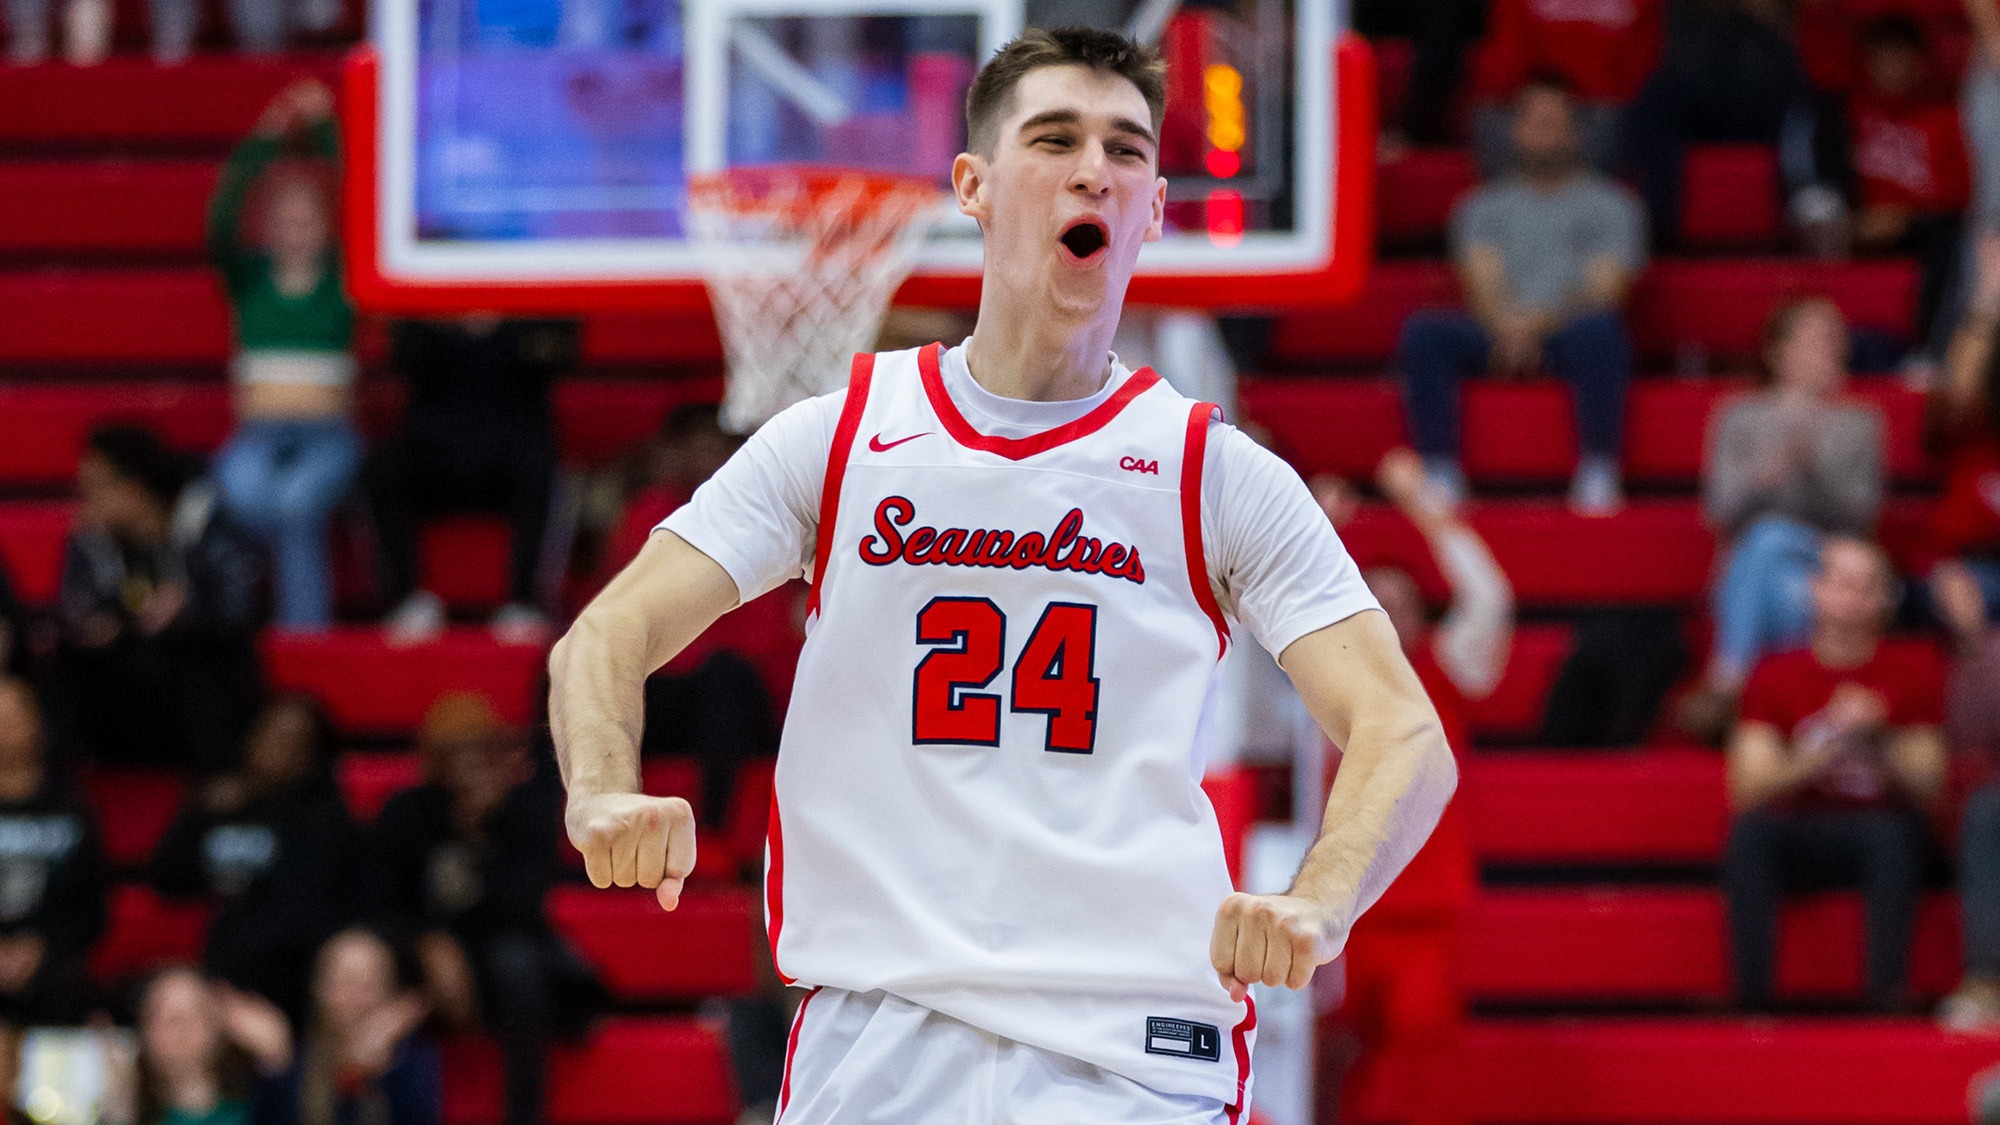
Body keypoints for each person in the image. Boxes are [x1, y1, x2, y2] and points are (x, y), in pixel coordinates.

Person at [551, 27, 1456, 1124]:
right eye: (1056, 138)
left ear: (1155, 208)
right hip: (872, 1033)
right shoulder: (835, 437)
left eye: (1125, 150)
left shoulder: (1213, 472)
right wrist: (602, 785)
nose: (1093, 170)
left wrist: (1319, 901)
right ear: (972, 186)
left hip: (1128, 1050)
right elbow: (604, 638)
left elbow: (1401, 733)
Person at [1318, 449, 1504, 1125]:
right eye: (1375, 603)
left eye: (1401, 602)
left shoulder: (1446, 668)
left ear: (1424, 616)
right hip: (1334, 903)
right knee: (1320, 1051)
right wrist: (1314, 531)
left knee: (1422, 1052)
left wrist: (1421, 502)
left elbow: (1488, 596)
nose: (1389, 615)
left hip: (1424, 905)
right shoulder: (1317, 674)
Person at [1395, 76, 1645, 515]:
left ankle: (1598, 472)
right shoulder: (1481, 206)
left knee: (1604, 330)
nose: (1544, 131)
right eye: (1534, 121)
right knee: (1425, 334)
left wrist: (1529, 326)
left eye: (1555, 121)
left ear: (1575, 131)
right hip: (1496, 329)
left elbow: (1606, 290)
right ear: (1515, 129)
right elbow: (1480, 282)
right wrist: (1508, 327)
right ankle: (1441, 473)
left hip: (1568, 332)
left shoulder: (1613, 206)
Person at [1721, 536, 1947, 1013]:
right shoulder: (1775, 672)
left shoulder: (1912, 668)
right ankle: (1752, 1003)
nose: (1850, 598)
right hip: (1801, 827)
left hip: (1882, 831)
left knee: (1893, 837)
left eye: (1864, 586)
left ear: (1884, 599)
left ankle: (1886, 998)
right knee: (1750, 835)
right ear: (1814, 589)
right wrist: (1823, 743)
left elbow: (1930, 786)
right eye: (1838, 583)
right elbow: (1747, 786)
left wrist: (1880, 733)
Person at [366, 693, 599, 1125]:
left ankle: (524, 1112)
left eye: (477, 749)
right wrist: (429, 941)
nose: (466, 764)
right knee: (361, 962)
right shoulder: (407, 812)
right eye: (453, 752)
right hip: (424, 953)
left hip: (504, 959)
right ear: (431, 758)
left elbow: (527, 905)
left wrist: (489, 827)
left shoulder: (523, 810)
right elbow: (380, 901)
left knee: (518, 962)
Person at [1681, 299, 1885, 742]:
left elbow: (1863, 516)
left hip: (1827, 558)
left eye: (1834, 340)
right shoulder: (1738, 416)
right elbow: (1719, 510)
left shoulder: (1858, 422)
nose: (1827, 350)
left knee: (1771, 541)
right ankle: (1786, 717)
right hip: (1762, 567)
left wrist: (1813, 473)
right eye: (1814, 339)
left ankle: (1729, 680)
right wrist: (1763, 479)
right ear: (1778, 350)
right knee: (1789, 590)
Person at [207, 80, 360, 635]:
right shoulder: (248, 283)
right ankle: (246, 625)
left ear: (325, 229)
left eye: (307, 220)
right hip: (257, 435)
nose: (295, 231)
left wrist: (324, 129)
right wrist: (264, 141)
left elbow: (363, 198)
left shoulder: (341, 288)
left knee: (296, 505)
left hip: (328, 436)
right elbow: (222, 221)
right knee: (243, 494)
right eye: (284, 221)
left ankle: (303, 635)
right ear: (268, 230)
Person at [47, 426, 266, 773]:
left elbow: (239, 607)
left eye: (93, 488)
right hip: (124, 680)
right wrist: (98, 624)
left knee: (205, 665)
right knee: (60, 668)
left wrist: (187, 610)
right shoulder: (90, 538)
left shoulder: (207, 522)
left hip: (195, 673)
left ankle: (220, 784)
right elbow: (74, 609)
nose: (83, 500)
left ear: (133, 489)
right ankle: (61, 795)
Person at [365, 317, 579, 646]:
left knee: (540, 466)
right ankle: (407, 600)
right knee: (382, 466)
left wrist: (496, 322)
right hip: (436, 460)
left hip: (510, 461)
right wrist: (456, 322)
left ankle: (524, 602)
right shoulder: (421, 309)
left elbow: (561, 353)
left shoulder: (536, 306)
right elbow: (404, 357)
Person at [150, 694, 359, 1020]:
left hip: (288, 977)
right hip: (219, 971)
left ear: (313, 755)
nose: (274, 746)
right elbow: (167, 879)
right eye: (269, 731)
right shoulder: (218, 804)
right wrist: (198, 814)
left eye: (293, 740)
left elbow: (302, 915)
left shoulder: (324, 821)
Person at [1793, 16, 1968, 364]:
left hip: (1918, 228)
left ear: (1920, 65)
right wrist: (1856, 219)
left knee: (1954, 237)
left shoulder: (1943, 119)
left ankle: (1928, 353)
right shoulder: (1845, 112)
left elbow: (1956, 198)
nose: (1892, 68)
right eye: (1883, 58)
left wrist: (1903, 218)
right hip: (1851, 219)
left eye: (1901, 59)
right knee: (1814, 204)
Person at [1622, 0, 1812, 246]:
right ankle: (1658, 222)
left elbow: (1771, 11)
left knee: (1807, 109)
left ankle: (1805, 204)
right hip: (1699, 87)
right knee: (1655, 96)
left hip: (1768, 91)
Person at [0, 678, 105, 1025]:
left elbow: (92, 904)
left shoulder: (70, 807)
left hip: (53, 965)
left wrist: (42, 947)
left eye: (15, 718)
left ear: (38, 724)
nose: (6, 729)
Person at [255, 928, 440, 1125]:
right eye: (343, 982)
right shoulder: (292, 1067)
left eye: (368, 984)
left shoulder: (412, 1063)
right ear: (318, 989)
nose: (355, 998)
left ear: (391, 993)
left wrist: (378, 1070)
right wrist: (275, 1068)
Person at [1466, 0, 1665, 177]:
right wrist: (1541, 99)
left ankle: (1590, 209)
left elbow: (1645, 61)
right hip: (1532, 96)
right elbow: (1506, 55)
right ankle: (1507, 211)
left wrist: (1603, 96)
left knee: (1610, 123)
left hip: (1603, 106)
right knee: (1489, 118)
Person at [134, 967, 291, 1125]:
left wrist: (277, 1060)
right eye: (167, 1016)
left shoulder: (260, 1108)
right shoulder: (126, 1113)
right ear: (144, 1030)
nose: (182, 1026)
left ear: (219, 1026)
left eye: (195, 1011)